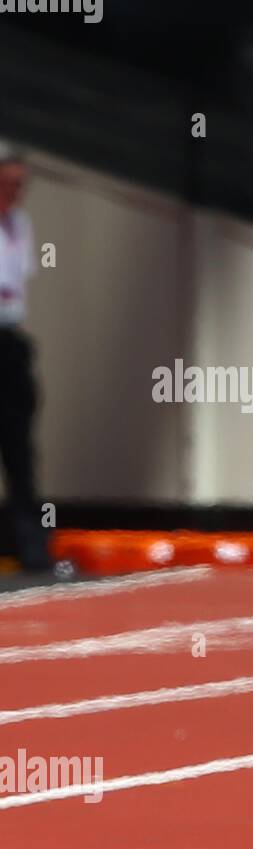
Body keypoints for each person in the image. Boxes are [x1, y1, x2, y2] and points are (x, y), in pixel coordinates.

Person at [0, 143, 52, 572]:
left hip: (11, 342)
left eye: (21, 184)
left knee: (20, 448)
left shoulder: (20, 223)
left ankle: (30, 549)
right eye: (9, 183)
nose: (17, 191)